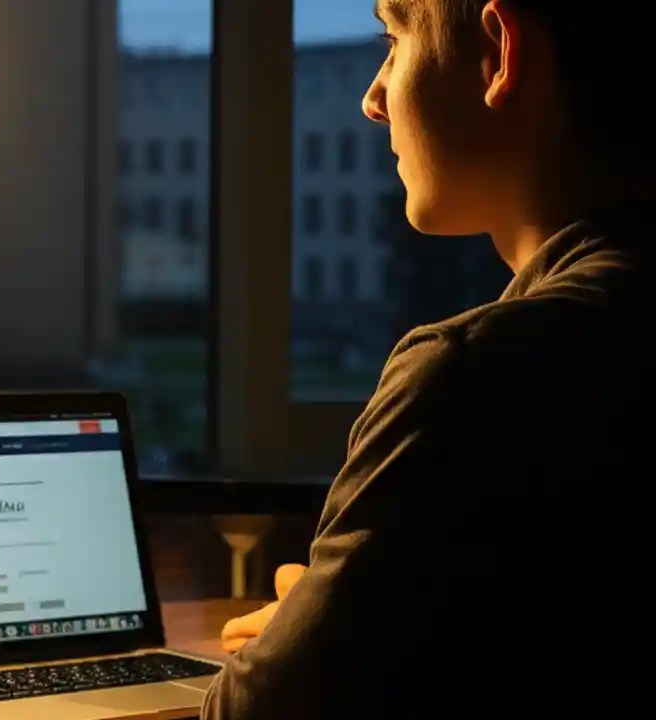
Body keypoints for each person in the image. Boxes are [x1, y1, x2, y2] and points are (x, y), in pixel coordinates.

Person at [201, 1, 654, 717]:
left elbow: (246, 712)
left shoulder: (470, 377)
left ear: (500, 55)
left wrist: (307, 634)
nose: (373, 99)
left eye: (395, 38)